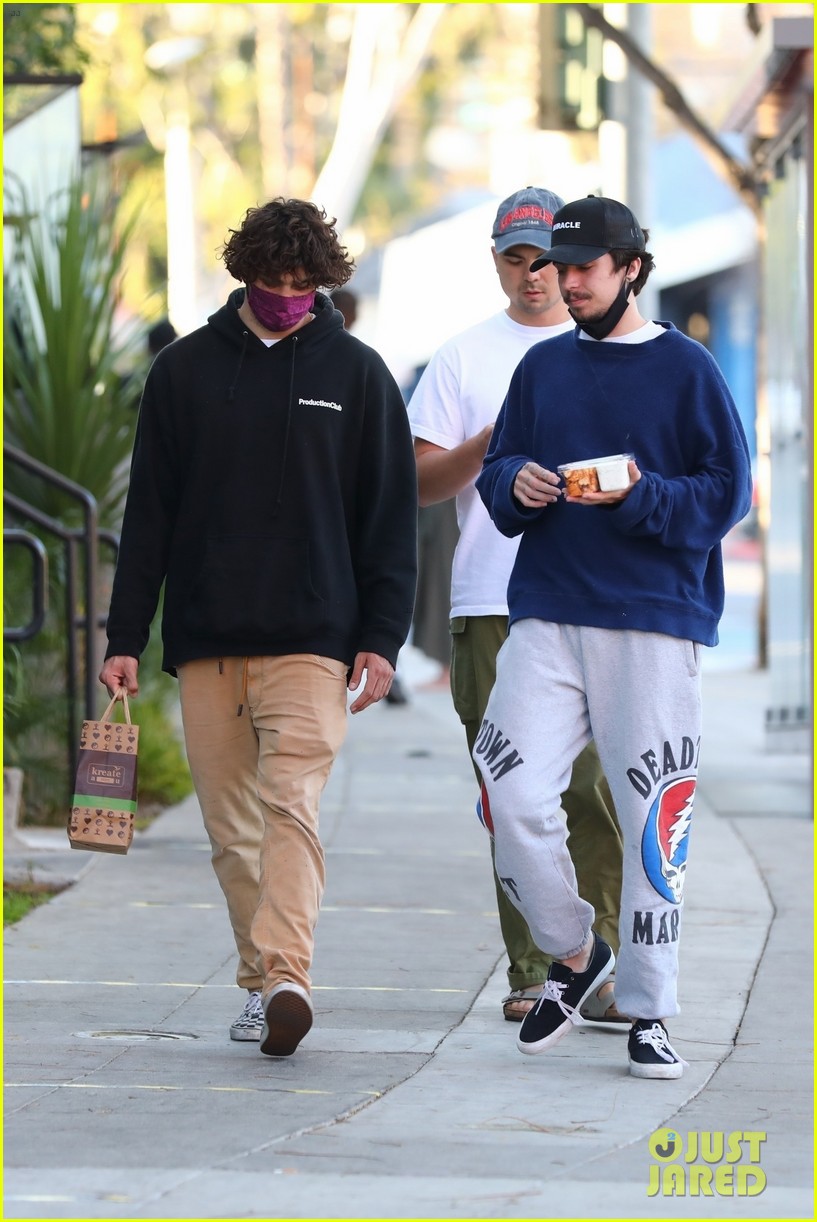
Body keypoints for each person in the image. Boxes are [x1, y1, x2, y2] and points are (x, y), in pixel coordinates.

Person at [100, 198, 418, 1058]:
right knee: (232, 830)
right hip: (206, 640)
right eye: (273, 283)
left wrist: (381, 639)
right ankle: (260, 982)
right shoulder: (184, 372)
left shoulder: (356, 374)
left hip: (313, 638)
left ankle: (286, 977)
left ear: (323, 283)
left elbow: (388, 520)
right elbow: (150, 517)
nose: (287, 297)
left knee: (291, 806)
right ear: (243, 275)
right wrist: (125, 635)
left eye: (302, 284)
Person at [475, 194, 752, 1078]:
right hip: (548, 611)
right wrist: (515, 484)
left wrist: (636, 495)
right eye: (557, 268)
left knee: (650, 817)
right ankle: (572, 950)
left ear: (631, 267)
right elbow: (497, 469)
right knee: (505, 784)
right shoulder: (542, 369)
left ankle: (650, 1005)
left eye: (584, 268)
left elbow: (725, 495)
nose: (565, 283)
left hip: (652, 620)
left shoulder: (688, 368)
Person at [407, 186, 625, 1026]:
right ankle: (535, 966)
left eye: (551, 261)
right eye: (517, 258)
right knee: (508, 793)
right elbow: (420, 482)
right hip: (491, 600)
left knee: (589, 792)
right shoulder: (462, 356)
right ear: (494, 261)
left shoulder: (608, 348)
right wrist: (493, 443)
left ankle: (600, 963)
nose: (535, 276)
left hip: (589, 599)